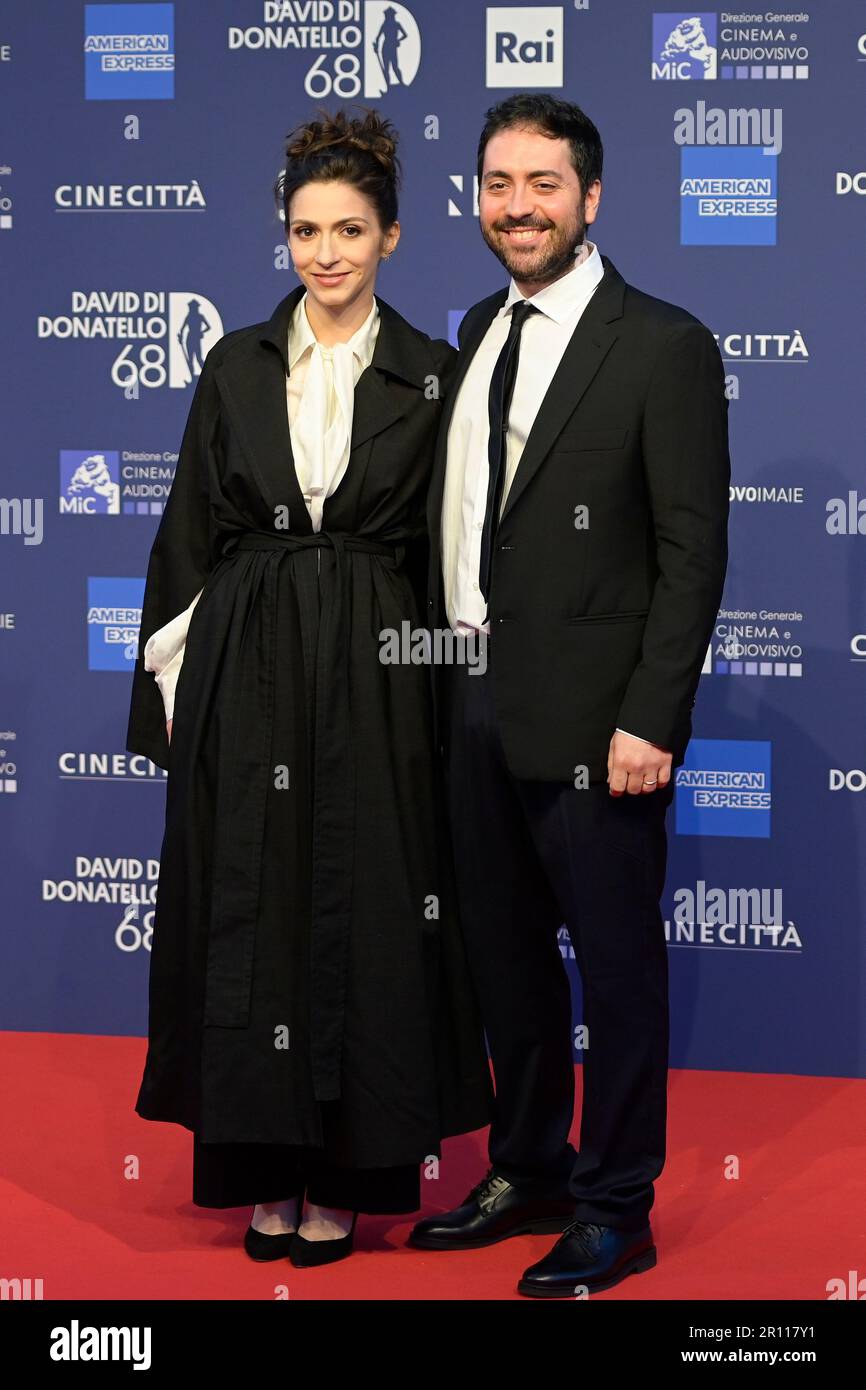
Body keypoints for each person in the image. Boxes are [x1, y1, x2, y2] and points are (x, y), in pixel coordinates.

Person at [125, 108, 493, 1269]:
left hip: (381, 676)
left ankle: (344, 1175)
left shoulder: (435, 376)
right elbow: (188, 533)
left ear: (390, 235)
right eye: (303, 230)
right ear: (283, 237)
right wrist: (175, 702)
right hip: (251, 663)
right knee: (256, 906)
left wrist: (450, 706)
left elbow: (455, 558)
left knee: (368, 911)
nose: (324, 252)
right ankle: (263, 1171)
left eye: (348, 228)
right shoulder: (232, 362)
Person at [410, 94, 730, 1296]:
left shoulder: (659, 342)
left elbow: (690, 551)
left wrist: (650, 716)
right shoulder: (473, 338)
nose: (517, 206)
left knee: (614, 968)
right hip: (474, 704)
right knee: (504, 962)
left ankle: (614, 1205)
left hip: (602, 723)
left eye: (542, 184)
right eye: (498, 184)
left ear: (589, 198)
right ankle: (529, 1164)